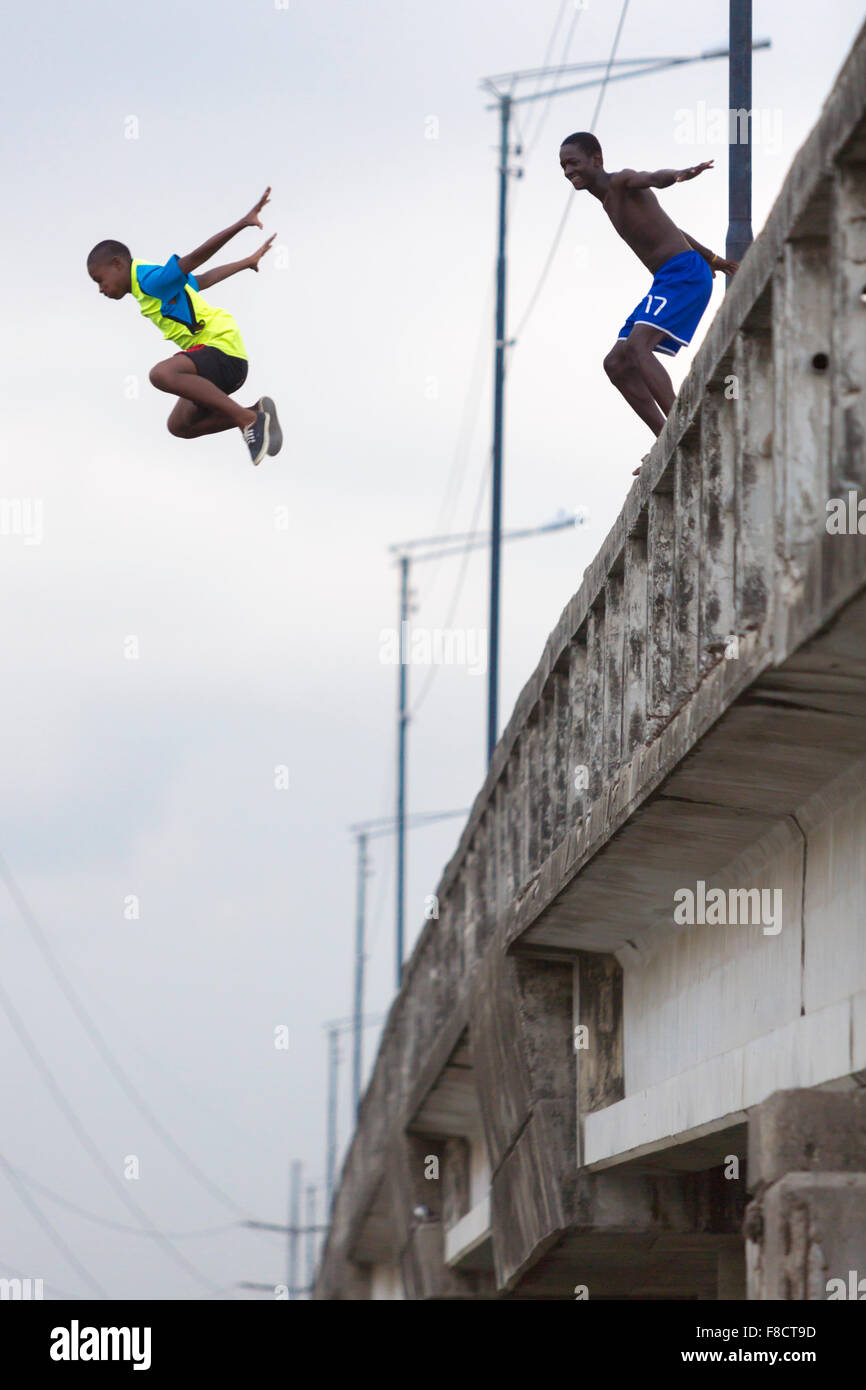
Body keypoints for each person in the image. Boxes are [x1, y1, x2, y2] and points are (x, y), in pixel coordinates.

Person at [559, 133, 738, 471]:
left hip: (683, 275)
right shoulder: (607, 202)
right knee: (616, 362)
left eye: (574, 162)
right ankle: (665, 442)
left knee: (639, 346)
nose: (568, 171)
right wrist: (715, 258)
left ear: (596, 159)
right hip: (670, 277)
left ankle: (683, 428)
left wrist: (680, 174)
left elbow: (654, 178)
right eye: (564, 166)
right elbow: (673, 229)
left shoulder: (622, 181)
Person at [87, 187, 282, 467]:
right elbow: (200, 280)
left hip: (222, 352)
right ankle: (256, 413)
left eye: (100, 279)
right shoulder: (151, 285)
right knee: (179, 425)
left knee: (161, 374)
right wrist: (246, 263)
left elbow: (196, 259)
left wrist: (241, 223)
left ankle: (247, 420)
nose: (101, 289)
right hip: (218, 363)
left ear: (117, 264)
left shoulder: (150, 280)